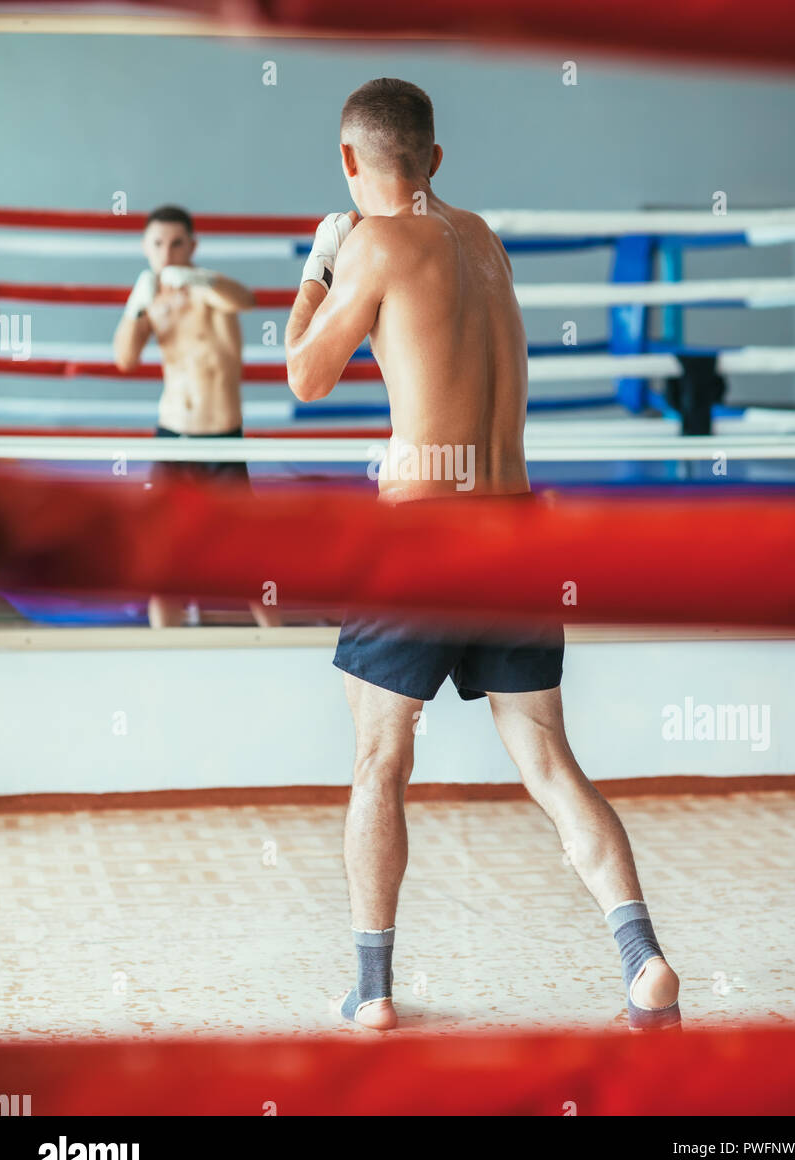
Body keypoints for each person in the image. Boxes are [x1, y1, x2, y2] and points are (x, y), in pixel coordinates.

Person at [285, 79, 680, 1033]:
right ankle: (643, 960)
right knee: (546, 756)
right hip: (515, 526)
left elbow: (303, 375)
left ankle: (372, 990)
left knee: (382, 757)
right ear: (437, 159)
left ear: (348, 163)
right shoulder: (484, 240)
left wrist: (317, 266)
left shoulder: (373, 244)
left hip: (423, 528)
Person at [113, 204, 279, 629]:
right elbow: (125, 359)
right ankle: (162, 648)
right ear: (144, 247)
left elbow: (248, 300)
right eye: (157, 244)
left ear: (193, 245)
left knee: (247, 550)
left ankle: (277, 640)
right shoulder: (152, 300)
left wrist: (199, 278)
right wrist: (136, 307)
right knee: (161, 550)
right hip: (171, 435)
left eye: (176, 243)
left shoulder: (211, 291)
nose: (166, 254)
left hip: (219, 437)